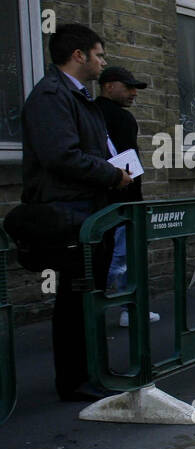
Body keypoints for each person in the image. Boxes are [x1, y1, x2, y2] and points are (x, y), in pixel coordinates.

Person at [20, 23, 133, 401]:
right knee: (75, 298)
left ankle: (93, 371)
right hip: (69, 213)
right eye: (99, 54)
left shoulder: (80, 98)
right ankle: (74, 380)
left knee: (90, 296)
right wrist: (110, 173)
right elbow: (61, 155)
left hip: (89, 212)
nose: (103, 62)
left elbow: (92, 148)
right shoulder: (51, 95)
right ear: (79, 55)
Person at [94, 65, 159, 327]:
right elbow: (128, 164)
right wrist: (134, 200)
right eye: (128, 87)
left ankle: (102, 305)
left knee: (114, 256)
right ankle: (124, 309)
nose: (134, 93)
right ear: (109, 85)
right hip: (122, 201)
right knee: (122, 258)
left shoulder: (92, 113)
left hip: (102, 201)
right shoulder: (119, 118)